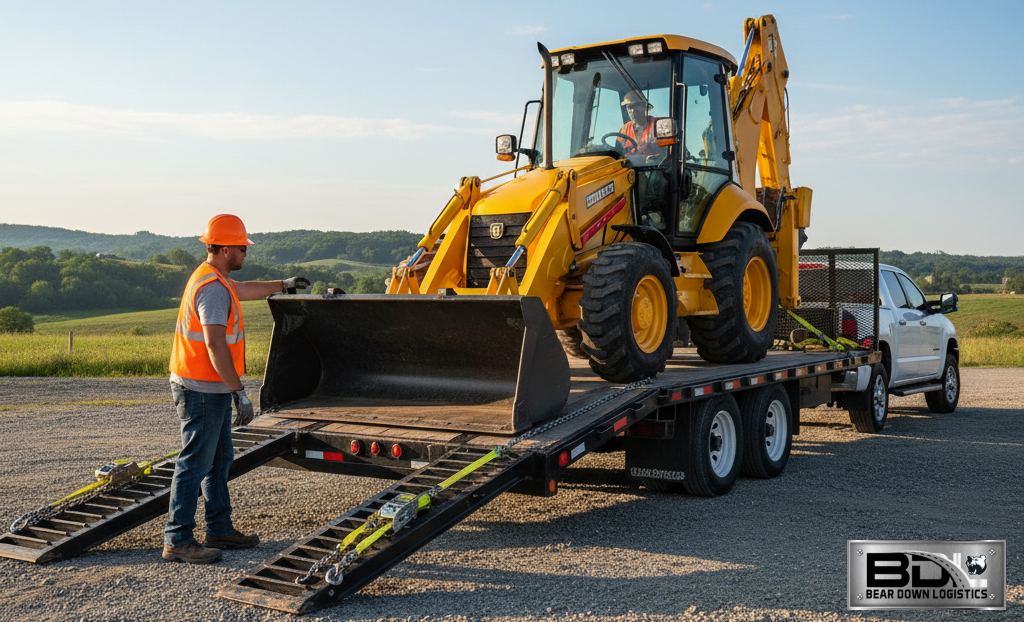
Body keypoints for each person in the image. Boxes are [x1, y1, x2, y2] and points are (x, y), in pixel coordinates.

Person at [163, 213, 309, 564]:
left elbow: (243, 291)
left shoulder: (217, 279)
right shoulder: (213, 289)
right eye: (242, 247)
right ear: (226, 248)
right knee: (195, 463)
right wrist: (238, 391)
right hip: (202, 389)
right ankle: (178, 539)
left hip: (207, 387)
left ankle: (219, 529)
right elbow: (214, 345)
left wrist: (282, 284)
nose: (246, 252)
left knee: (218, 461)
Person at [618, 90, 661, 157]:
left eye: (635, 106)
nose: (632, 111)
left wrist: (651, 147)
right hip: (629, 165)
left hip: (652, 165)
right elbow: (617, 151)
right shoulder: (624, 129)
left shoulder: (658, 125)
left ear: (644, 106)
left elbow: (666, 150)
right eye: (629, 107)